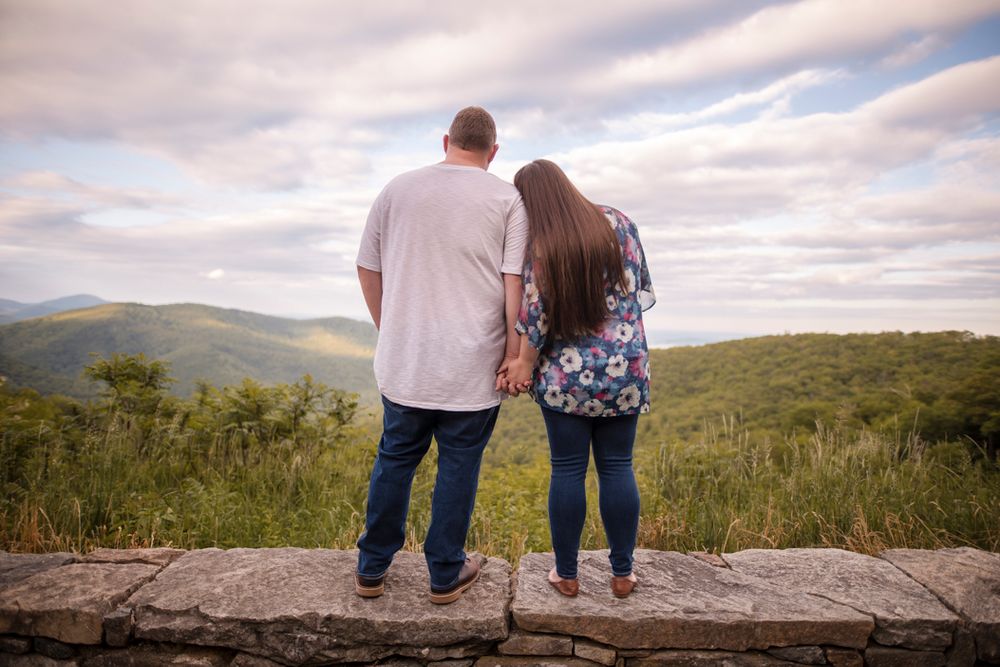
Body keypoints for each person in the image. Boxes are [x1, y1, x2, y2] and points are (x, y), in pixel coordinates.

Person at [354, 106, 528, 604]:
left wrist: (391, 328)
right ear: (494, 151)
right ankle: (445, 572)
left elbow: (367, 267)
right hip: (473, 364)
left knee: (395, 459)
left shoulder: (397, 189)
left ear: (446, 141)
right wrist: (513, 353)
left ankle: (371, 568)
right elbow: (513, 282)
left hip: (405, 360)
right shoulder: (507, 199)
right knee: (459, 466)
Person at [500, 159, 655, 598]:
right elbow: (638, 287)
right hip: (624, 369)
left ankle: (566, 574)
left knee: (567, 469)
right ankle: (622, 574)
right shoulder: (620, 222)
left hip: (566, 377)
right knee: (618, 466)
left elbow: (537, 313)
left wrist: (522, 362)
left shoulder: (544, 243)